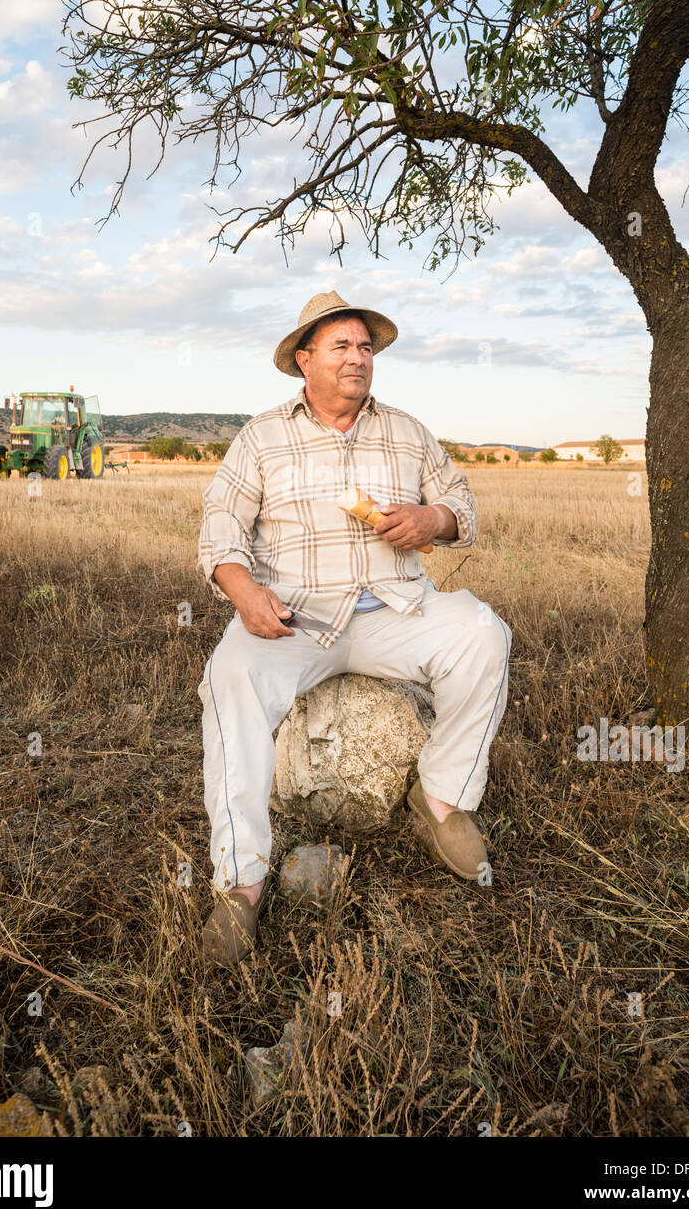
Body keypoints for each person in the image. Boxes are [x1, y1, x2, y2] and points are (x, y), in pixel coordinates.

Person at [196, 290, 512, 965]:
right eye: (340, 346)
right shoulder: (262, 436)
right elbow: (219, 526)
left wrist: (434, 521)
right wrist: (243, 591)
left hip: (396, 609)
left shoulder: (406, 431)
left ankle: (443, 801)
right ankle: (240, 882)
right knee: (229, 678)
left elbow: (460, 503)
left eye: (365, 346)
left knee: (484, 630)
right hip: (295, 617)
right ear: (303, 360)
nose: (358, 357)